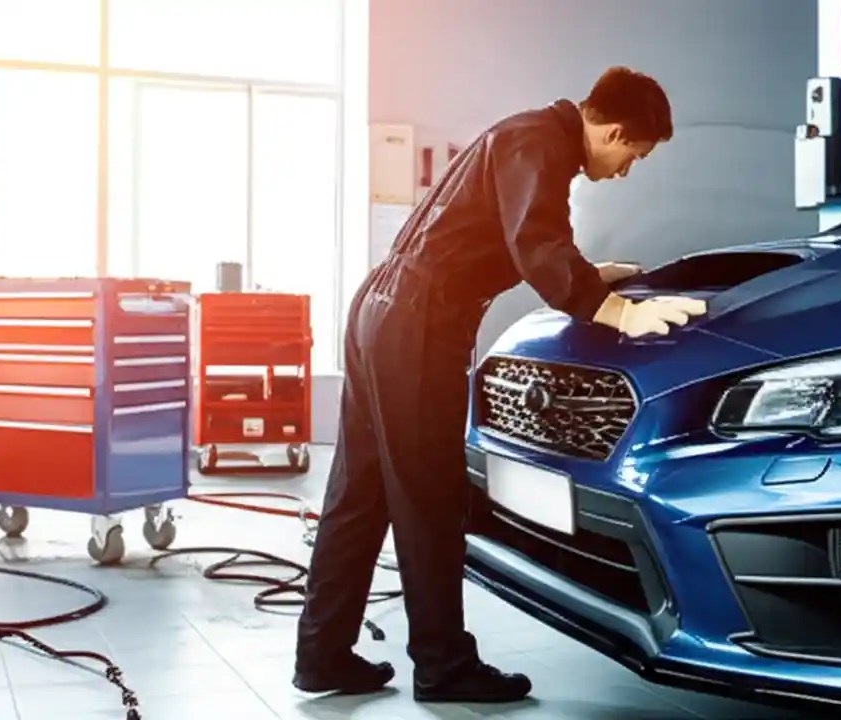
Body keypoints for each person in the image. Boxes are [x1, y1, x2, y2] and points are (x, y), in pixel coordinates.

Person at [293, 66, 707, 703]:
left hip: (380, 307)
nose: (626, 170)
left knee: (360, 489)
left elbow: (504, 239)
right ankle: (443, 666)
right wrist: (620, 311)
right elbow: (536, 241)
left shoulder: (524, 135)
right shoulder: (541, 141)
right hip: (417, 322)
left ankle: (322, 654)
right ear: (615, 131)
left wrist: (590, 275)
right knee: (430, 496)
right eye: (633, 155)